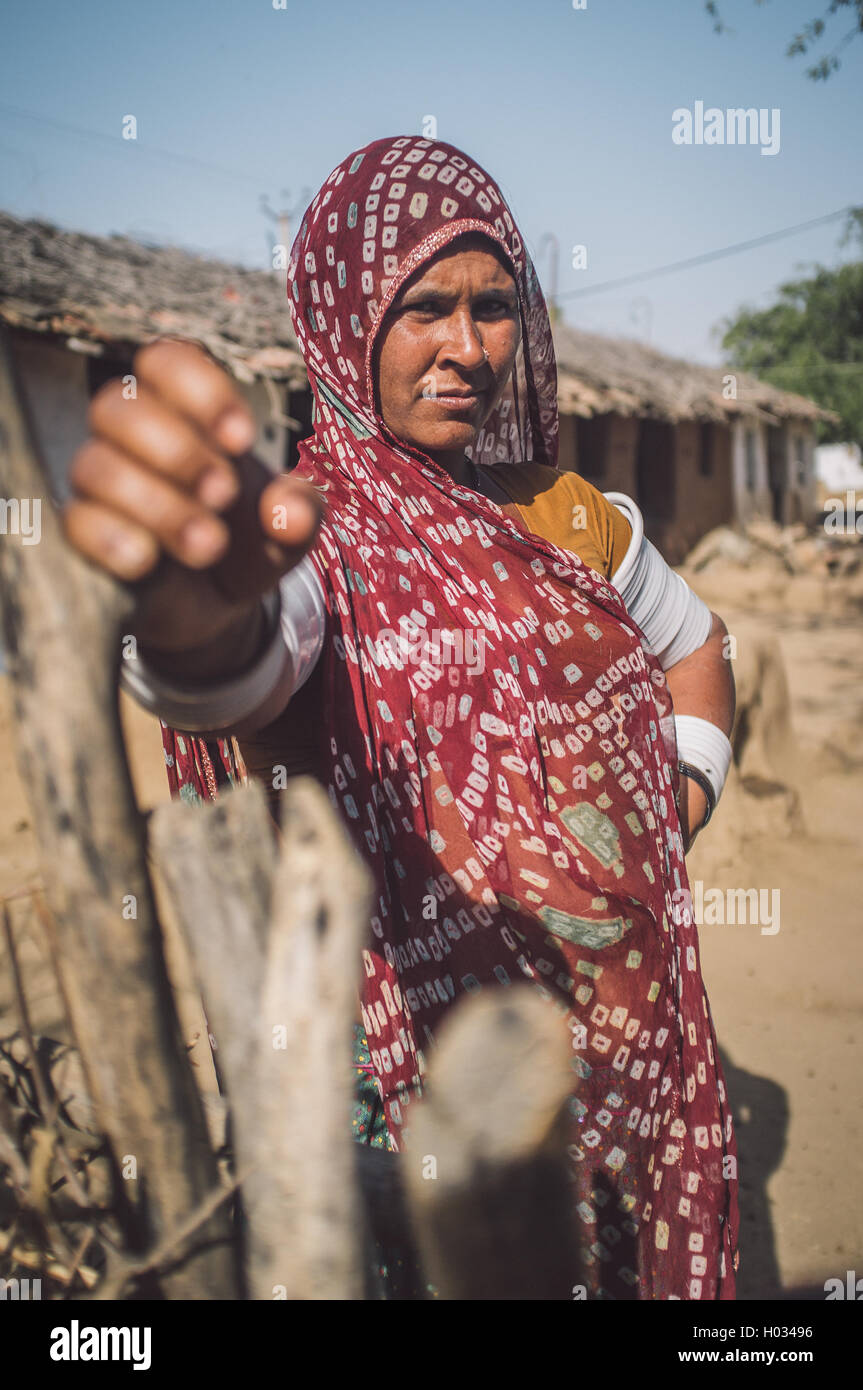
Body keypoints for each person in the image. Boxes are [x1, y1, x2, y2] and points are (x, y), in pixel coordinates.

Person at [63, 135, 739, 1300]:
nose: (467, 348)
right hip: (403, 1059)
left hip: (615, 1049)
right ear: (343, 319)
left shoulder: (568, 516)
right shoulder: (309, 538)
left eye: (494, 307)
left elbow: (697, 647)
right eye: (424, 308)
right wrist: (188, 620)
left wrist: (667, 816)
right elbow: (246, 662)